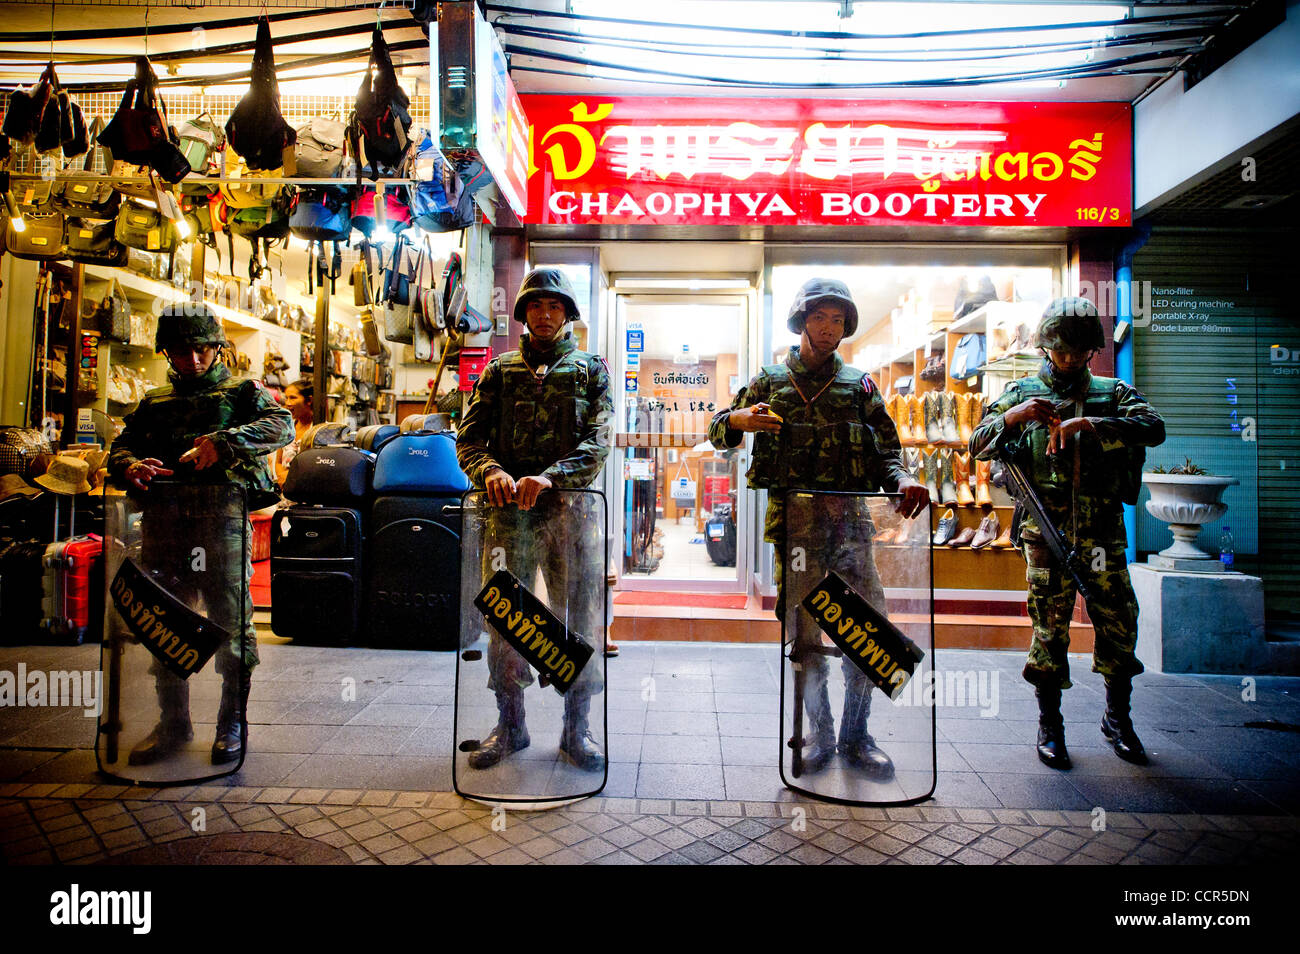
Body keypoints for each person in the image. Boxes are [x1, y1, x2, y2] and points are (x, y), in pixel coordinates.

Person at [710, 278, 929, 777]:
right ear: (802, 321)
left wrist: (903, 480)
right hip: (796, 531)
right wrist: (738, 420)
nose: (829, 328)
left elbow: (887, 450)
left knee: (868, 633)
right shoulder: (769, 381)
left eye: (837, 320)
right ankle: (822, 732)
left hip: (850, 527)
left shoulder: (859, 385)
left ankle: (857, 735)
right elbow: (718, 429)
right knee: (805, 638)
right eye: (819, 318)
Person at [970, 297, 1166, 769]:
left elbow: (1153, 427)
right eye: (1062, 351)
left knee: (1119, 623)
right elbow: (977, 443)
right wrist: (1014, 417)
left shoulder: (1112, 393)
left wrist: (1091, 425)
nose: (1071, 359)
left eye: (1080, 352)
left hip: (1102, 534)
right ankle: (1050, 724)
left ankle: (1118, 719)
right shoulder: (1021, 393)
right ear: (1045, 347)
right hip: (1045, 534)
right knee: (1049, 628)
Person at [107, 304, 293, 766]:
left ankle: (232, 722)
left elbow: (281, 424)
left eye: (201, 349)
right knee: (164, 623)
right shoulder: (154, 402)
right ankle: (173, 722)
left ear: (217, 348)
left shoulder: (243, 391)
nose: (192, 360)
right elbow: (121, 446)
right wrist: (130, 465)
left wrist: (223, 443)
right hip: (165, 523)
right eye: (180, 351)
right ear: (166, 353)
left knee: (233, 626)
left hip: (221, 521)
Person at [456, 267, 613, 772]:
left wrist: (550, 477)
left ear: (567, 314)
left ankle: (576, 728)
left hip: (571, 514)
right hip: (509, 517)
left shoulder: (591, 370)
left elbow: (600, 440)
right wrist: (491, 470)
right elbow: (468, 440)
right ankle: (511, 724)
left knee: (580, 617)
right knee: (507, 619)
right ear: (524, 313)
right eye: (536, 306)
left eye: (554, 306)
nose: (545, 315)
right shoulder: (499, 371)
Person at [274, 377, 314, 485]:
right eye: (286, 398)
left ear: (309, 400)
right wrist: (282, 476)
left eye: (292, 398)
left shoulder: (319, 430)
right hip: (286, 489)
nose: (288, 403)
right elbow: (278, 462)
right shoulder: (286, 428)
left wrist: (292, 477)